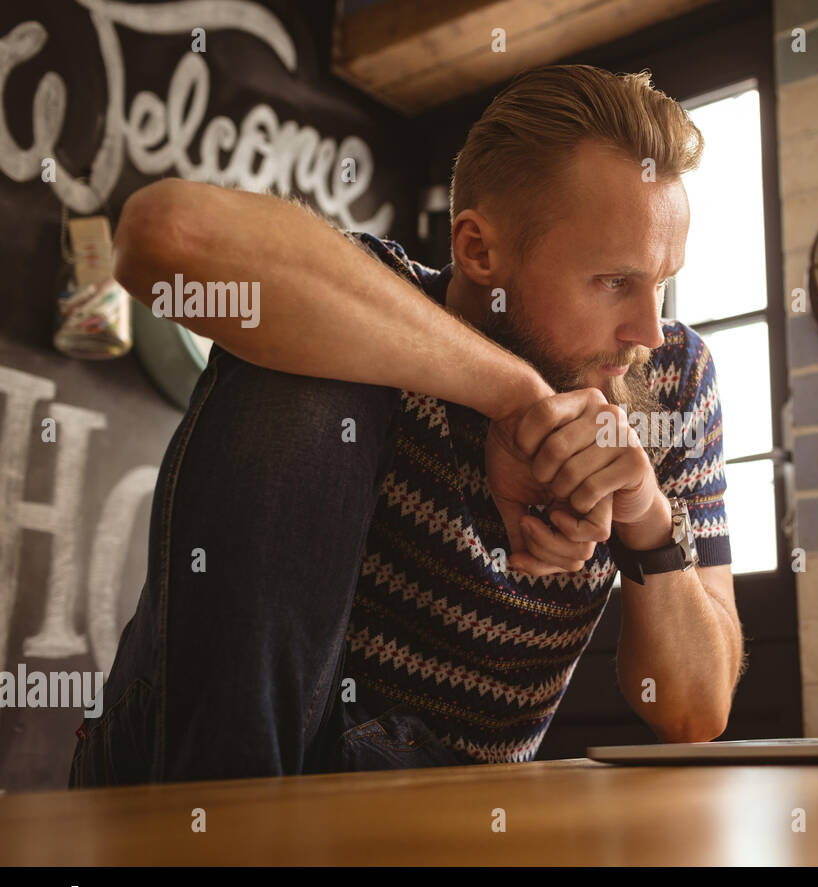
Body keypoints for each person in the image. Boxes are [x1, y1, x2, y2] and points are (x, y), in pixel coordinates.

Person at [68, 63, 745, 786]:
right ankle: (233, 826)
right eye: (614, 281)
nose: (647, 328)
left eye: (661, 280)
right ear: (479, 251)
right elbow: (162, 236)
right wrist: (512, 397)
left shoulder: (671, 381)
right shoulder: (376, 292)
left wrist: (644, 517)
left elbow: (693, 714)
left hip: (434, 794)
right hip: (194, 756)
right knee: (309, 345)